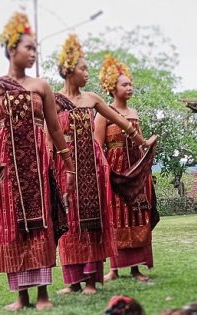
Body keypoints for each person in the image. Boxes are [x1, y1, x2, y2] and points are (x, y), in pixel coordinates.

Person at [0, 12, 76, 311]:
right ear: (11, 49)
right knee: (11, 226)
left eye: (35, 48)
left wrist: (69, 166)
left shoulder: (42, 86)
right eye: (28, 48)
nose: (33, 53)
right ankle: (20, 296)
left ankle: (44, 294)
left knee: (41, 224)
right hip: (7, 167)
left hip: (36, 163)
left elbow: (55, 129)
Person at [52, 34, 146, 295]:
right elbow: (48, 133)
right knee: (69, 220)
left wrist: (142, 141)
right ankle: (72, 281)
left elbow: (123, 122)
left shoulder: (92, 99)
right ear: (69, 70)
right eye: (83, 68)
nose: (87, 73)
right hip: (64, 165)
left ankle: (92, 281)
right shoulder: (52, 99)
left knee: (91, 221)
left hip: (92, 166)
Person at [94, 55, 157, 283]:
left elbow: (141, 144)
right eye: (125, 84)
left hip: (137, 173)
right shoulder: (103, 113)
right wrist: (105, 173)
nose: (130, 88)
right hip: (116, 174)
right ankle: (115, 268)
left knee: (138, 215)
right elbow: (98, 146)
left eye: (130, 84)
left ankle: (136, 268)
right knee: (117, 217)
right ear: (112, 87)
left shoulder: (135, 113)